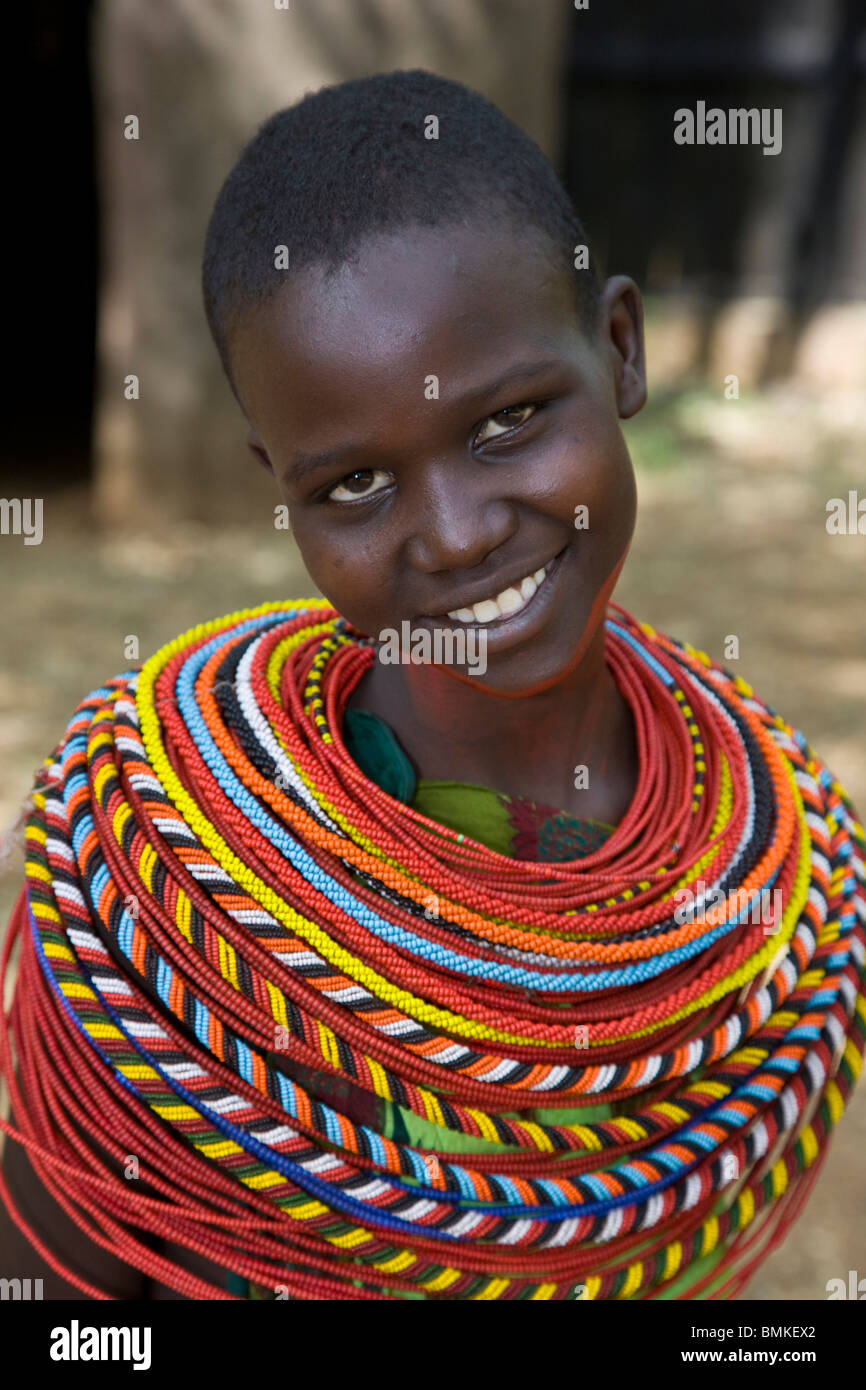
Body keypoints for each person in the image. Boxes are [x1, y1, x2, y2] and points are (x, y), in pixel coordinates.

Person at [1, 69, 863, 1302]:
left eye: (507, 420)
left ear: (617, 352)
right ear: (278, 487)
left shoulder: (779, 897)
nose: (454, 536)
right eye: (351, 484)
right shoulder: (158, 884)